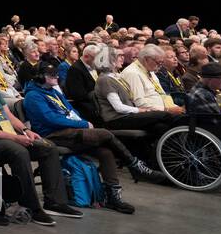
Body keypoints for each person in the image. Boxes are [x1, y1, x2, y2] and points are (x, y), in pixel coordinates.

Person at [0, 56, 79, 223]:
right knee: (18, 152)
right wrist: (16, 138)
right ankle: (32, 206)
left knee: (48, 147)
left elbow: (9, 116)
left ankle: (55, 202)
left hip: (9, 135)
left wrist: (25, 130)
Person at [23, 60, 159, 214]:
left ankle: (113, 197)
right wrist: (82, 125)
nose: (56, 77)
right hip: (52, 134)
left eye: (56, 74)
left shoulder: (53, 91)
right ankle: (135, 165)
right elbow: (51, 120)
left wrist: (82, 122)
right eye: (51, 74)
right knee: (105, 134)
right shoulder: (33, 96)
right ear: (40, 77)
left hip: (68, 131)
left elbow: (71, 110)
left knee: (105, 152)